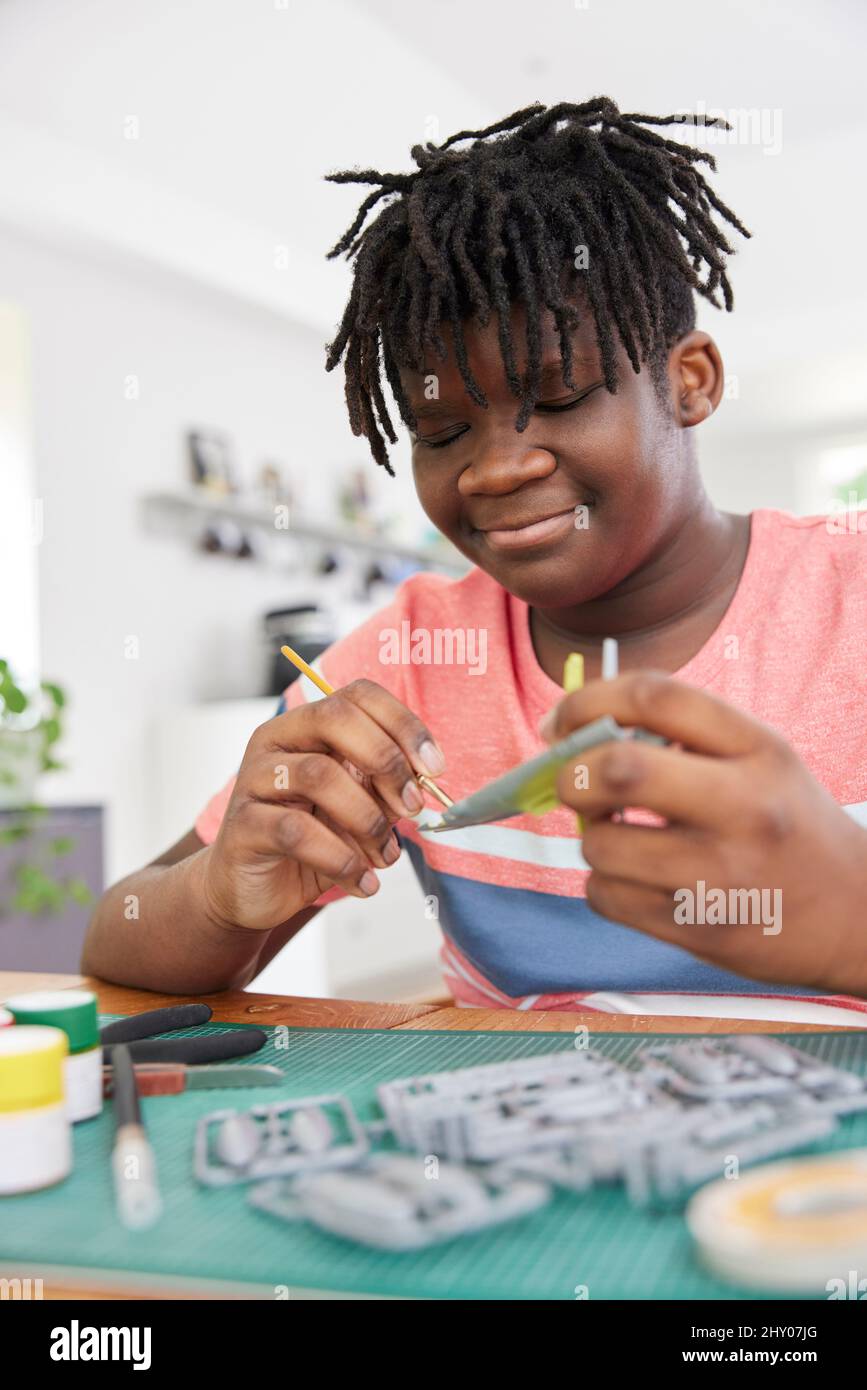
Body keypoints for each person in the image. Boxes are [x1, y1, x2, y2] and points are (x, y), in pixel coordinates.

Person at [83, 99, 867, 1009]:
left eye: (563, 398)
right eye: (443, 429)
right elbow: (119, 934)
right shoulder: (410, 661)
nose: (495, 469)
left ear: (688, 382)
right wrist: (224, 899)